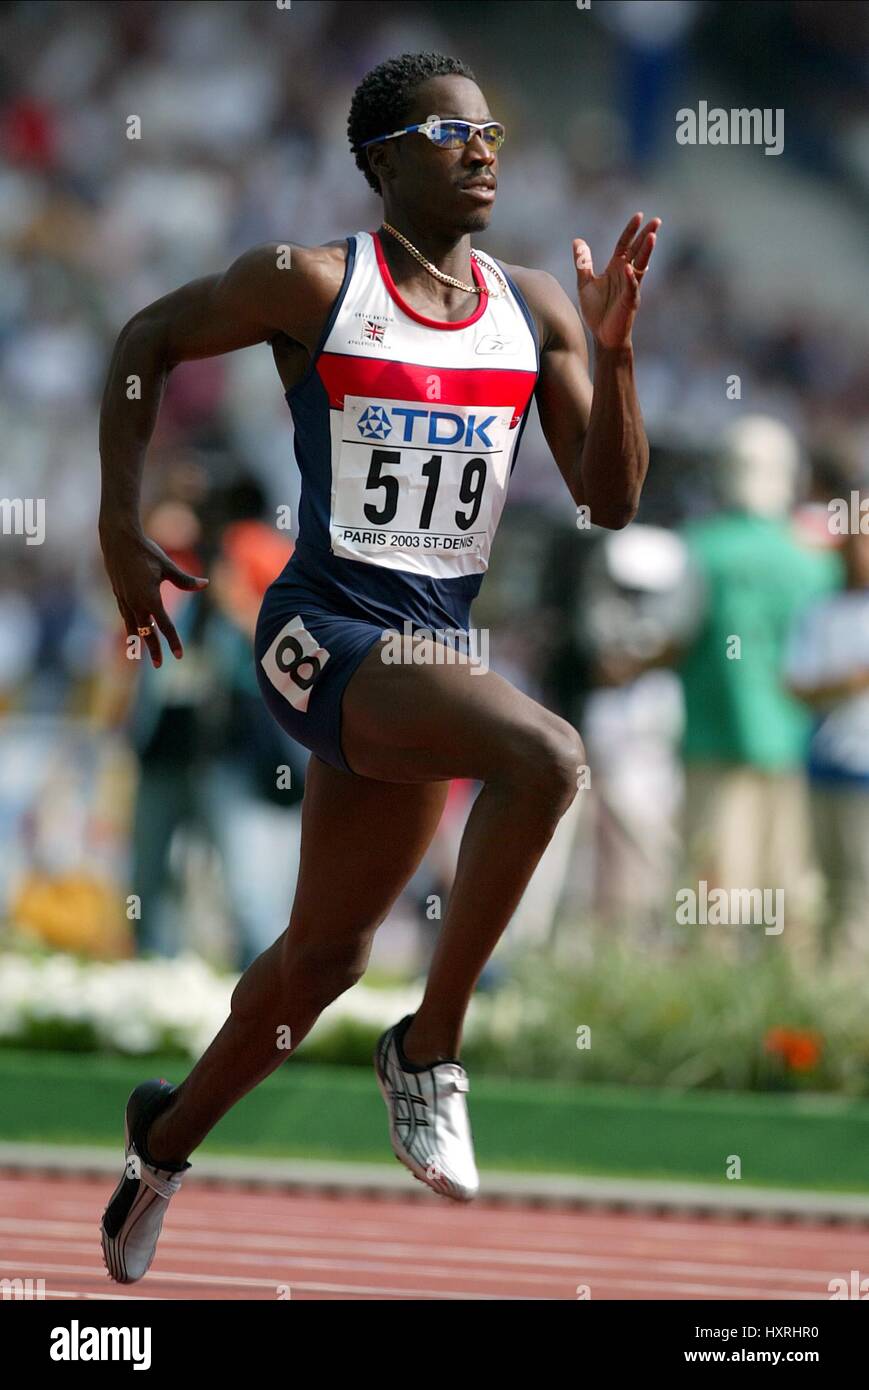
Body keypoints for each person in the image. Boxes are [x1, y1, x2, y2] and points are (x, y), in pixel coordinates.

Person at [98, 52, 656, 1283]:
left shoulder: (534, 310)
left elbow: (609, 499)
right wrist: (115, 526)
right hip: (320, 632)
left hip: (431, 653)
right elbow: (148, 336)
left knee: (322, 961)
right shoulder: (310, 285)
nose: (482, 150)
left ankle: (159, 1148)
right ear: (380, 160)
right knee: (546, 756)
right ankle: (430, 1048)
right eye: (447, 133)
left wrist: (612, 359)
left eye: (491, 131)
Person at [786, 523, 869, 968]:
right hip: (826, 764)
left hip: (864, 772)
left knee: (860, 886)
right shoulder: (821, 613)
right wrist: (847, 683)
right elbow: (797, 684)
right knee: (825, 883)